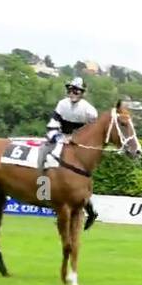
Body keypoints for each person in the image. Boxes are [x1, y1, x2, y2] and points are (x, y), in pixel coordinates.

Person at [41, 77, 100, 230]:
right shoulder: (62, 104)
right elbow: (53, 124)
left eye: (76, 90)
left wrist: (77, 139)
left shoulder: (89, 110)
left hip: (78, 144)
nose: (72, 93)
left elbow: (93, 131)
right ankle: (47, 193)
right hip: (60, 139)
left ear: (82, 93)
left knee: (82, 175)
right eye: (70, 90)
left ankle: (90, 209)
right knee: (46, 159)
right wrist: (59, 137)